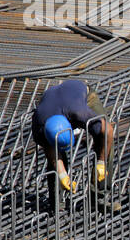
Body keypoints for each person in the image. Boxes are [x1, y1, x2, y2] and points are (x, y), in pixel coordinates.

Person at [31, 80, 115, 210]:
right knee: (55, 163)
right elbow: (51, 152)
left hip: (83, 97)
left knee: (104, 142)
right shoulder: (39, 127)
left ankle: (100, 197)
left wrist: (101, 162)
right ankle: (57, 205)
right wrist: (62, 174)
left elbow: (108, 131)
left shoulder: (80, 113)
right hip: (54, 101)